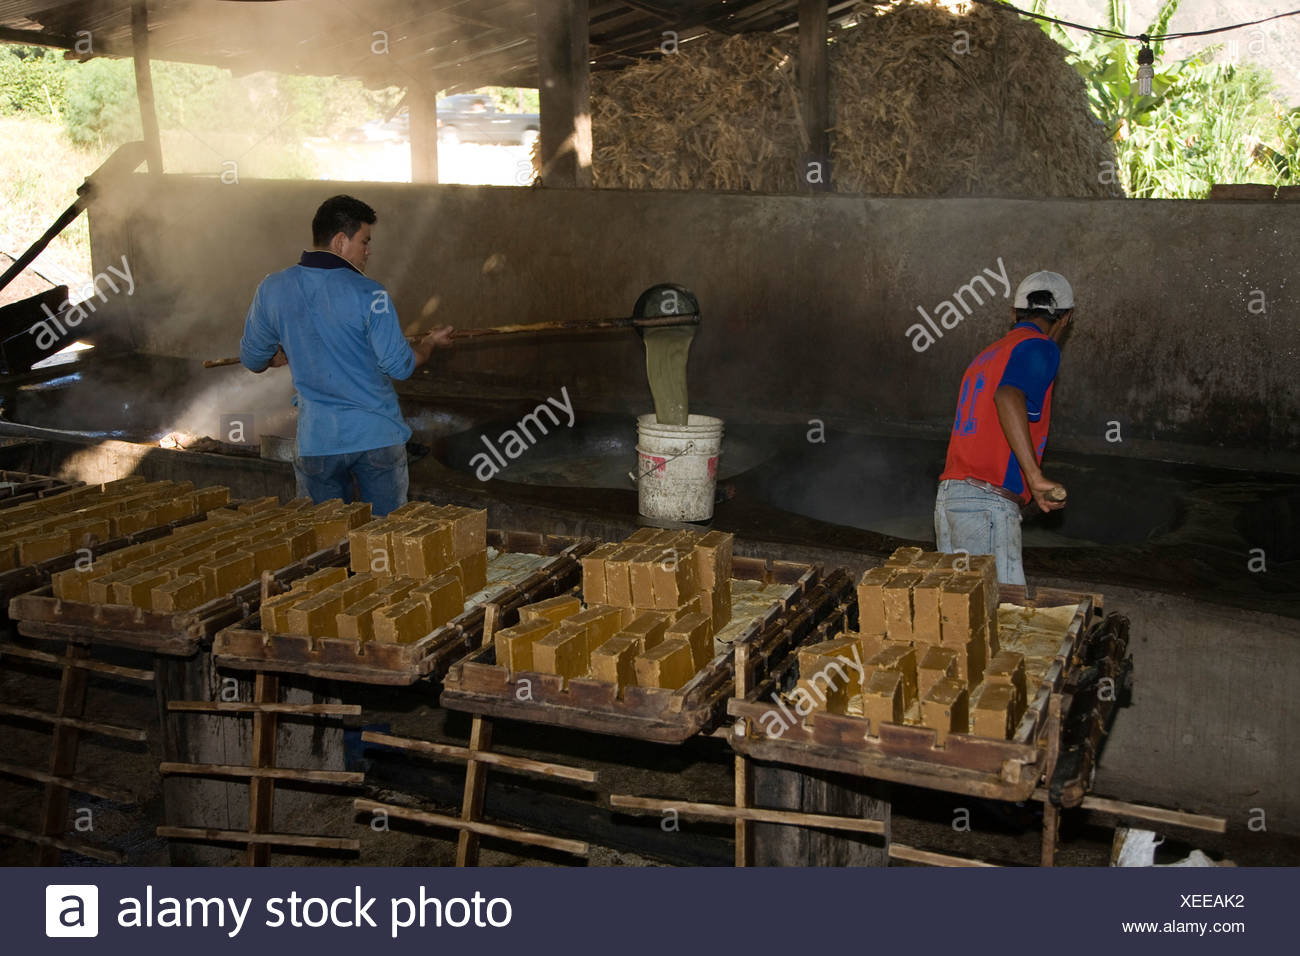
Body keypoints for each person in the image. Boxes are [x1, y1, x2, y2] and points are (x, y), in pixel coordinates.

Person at [239, 195, 454, 516]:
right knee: (388, 537)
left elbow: (252, 358)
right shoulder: (371, 294)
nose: (368, 251)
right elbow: (401, 365)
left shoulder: (273, 288)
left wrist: (274, 355)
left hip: (318, 443)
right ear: (340, 241)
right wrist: (430, 344)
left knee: (327, 537)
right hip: (376, 438)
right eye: (364, 241)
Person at [934, 271, 1072, 585]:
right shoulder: (1041, 346)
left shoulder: (988, 355)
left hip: (952, 499)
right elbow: (1008, 396)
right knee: (1002, 620)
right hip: (984, 503)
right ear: (1066, 319)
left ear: (1014, 313)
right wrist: (1035, 477)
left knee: (964, 620)